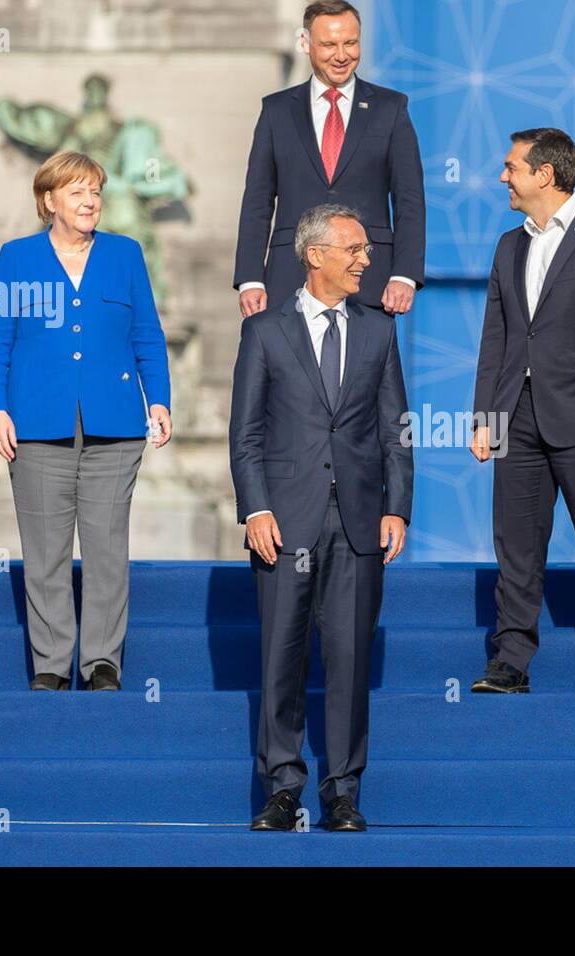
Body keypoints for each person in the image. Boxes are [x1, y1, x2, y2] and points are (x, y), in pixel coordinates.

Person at [230, 203, 412, 832]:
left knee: (349, 659)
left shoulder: (379, 331)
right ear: (315, 255)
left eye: (365, 250)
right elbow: (246, 434)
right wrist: (254, 507)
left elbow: (397, 430)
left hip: (360, 523)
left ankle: (342, 792)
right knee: (281, 656)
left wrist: (398, 508)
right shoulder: (264, 332)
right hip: (283, 523)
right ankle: (282, 788)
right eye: (354, 249)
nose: (366, 259)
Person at [0, 151, 172, 692]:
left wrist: (158, 399)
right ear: (49, 201)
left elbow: (147, 336)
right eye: (77, 192)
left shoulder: (125, 254)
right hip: (38, 424)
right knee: (45, 550)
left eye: (95, 192)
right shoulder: (17, 258)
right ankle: (50, 663)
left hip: (115, 425)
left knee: (107, 547)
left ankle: (102, 662)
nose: (90, 202)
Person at [469, 128, 575, 694]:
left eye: (511, 167)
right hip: (515, 419)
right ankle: (511, 662)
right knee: (516, 549)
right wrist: (484, 416)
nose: (503, 178)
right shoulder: (508, 244)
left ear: (544, 174)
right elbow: (495, 338)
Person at [235, 0, 425, 315]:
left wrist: (404, 274)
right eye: (329, 44)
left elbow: (410, 200)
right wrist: (250, 278)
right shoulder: (276, 111)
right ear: (306, 44)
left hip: (368, 279)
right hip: (289, 277)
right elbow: (257, 200)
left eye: (350, 43)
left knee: (364, 366)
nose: (341, 55)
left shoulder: (391, 109)